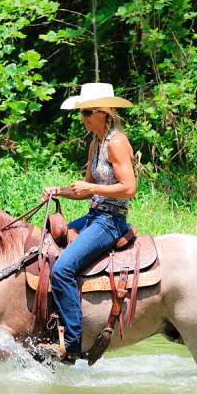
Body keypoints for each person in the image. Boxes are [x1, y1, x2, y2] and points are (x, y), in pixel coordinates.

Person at [41, 83, 136, 361]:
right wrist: (58, 190)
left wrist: (92, 189)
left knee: (62, 270)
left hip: (110, 220)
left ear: (104, 113)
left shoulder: (116, 143)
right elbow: (85, 188)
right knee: (47, 245)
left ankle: (71, 344)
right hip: (95, 214)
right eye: (81, 113)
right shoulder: (96, 143)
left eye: (88, 112)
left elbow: (129, 187)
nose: (83, 118)